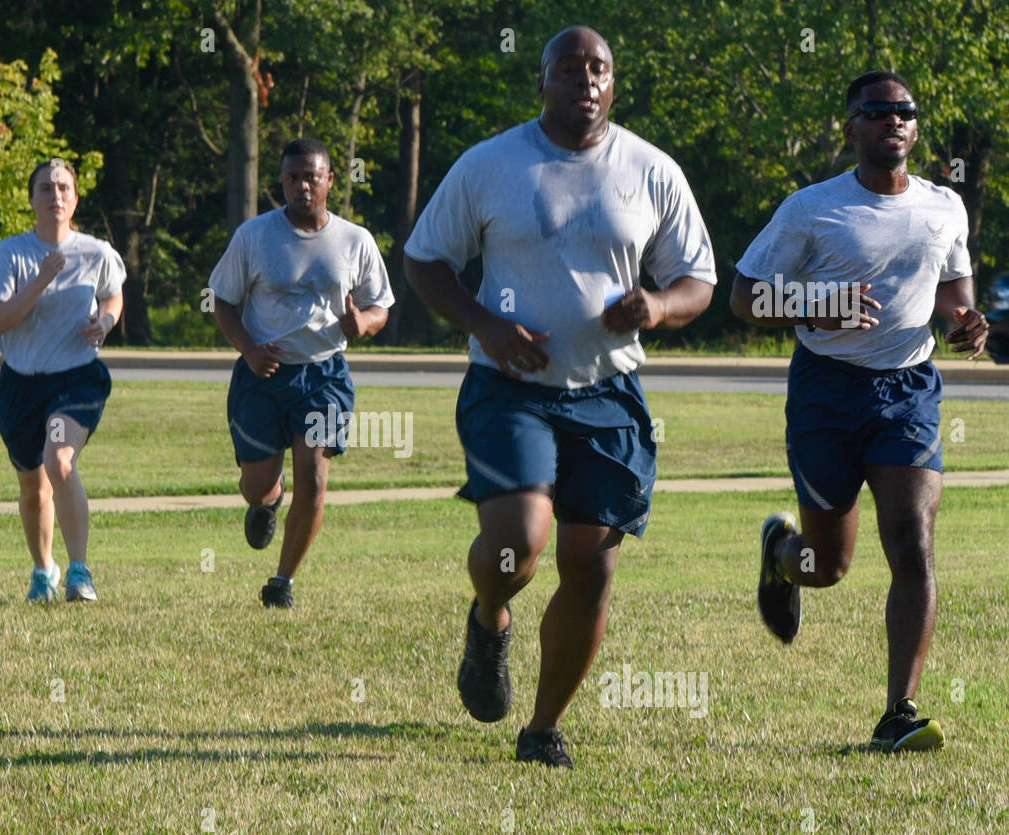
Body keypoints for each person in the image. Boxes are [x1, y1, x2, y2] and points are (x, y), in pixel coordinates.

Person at [404, 27, 716, 766]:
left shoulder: (650, 169)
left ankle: (542, 728)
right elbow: (425, 261)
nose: (585, 79)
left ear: (614, 82)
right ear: (541, 82)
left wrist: (659, 307)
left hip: (608, 394)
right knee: (519, 546)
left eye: (599, 68)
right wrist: (486, 324)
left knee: (592, 566)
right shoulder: (491, 164)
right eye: (569, 68)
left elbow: (698, 280)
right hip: (509, 388)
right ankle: (490, 619)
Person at [731, 71, 989, 752]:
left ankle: (898, 712)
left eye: (904, 111)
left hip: (908, 389)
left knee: (911, 544)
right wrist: (822, 305)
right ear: (852, 128)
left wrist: (968, 322)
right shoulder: (811, 209)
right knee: (828, 565)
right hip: (826, 387)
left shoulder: (944, 207)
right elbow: (745, 298)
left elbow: (954, 291)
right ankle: (780, 555)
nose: (893, 122)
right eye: (877, 112)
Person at [209, 138, 394, 609]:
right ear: (283, 181)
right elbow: (223, 301)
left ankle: (282, 582)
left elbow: (381, 307)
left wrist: (363, 323)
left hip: (323, 376)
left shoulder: (356, 241)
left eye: (312, 176)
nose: (302, 185)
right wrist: (249, 350)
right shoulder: (254, 236)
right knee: (256, 484)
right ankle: (267, 502)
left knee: (314, 479)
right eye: (293, 177)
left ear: (331, 180)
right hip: (262, 375)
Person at [0, 158, 125, 603]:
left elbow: (114, 294)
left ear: (75, 199)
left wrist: (106, 322)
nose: (55, 195)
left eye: (63, 187)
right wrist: (41, 279)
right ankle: (44, 572)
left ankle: (80, 571)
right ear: (32, 199)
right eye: (45, 188)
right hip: (21, 385)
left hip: (75, 379)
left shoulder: (96, 252)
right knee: (32, 486)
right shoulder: (9, 254)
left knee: (59, 462)